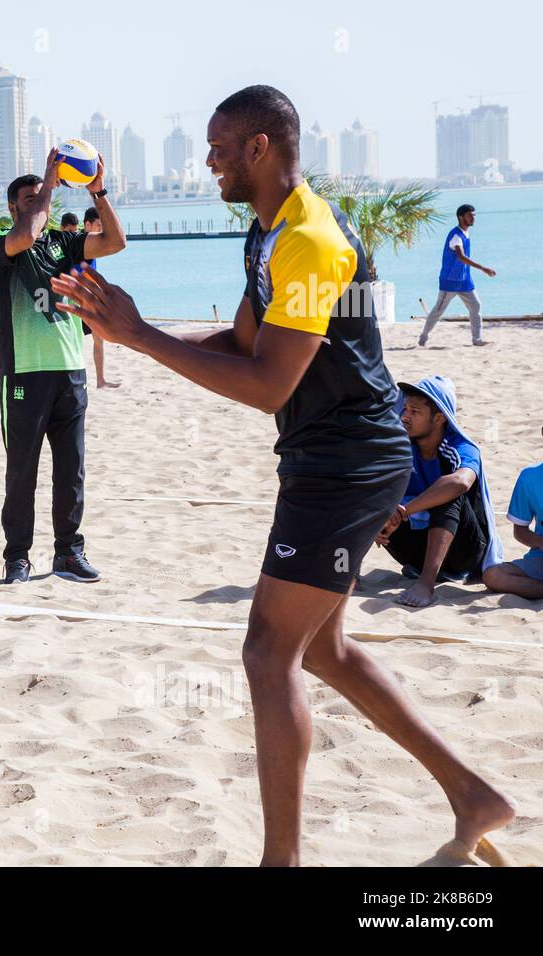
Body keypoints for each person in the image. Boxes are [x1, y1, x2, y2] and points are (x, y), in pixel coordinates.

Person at [52, 85, 514, 866]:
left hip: (348, 461)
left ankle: (282, 862)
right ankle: (473, 796)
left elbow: (269, 383)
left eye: (219, 148)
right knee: (324, 650)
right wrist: (130, 333)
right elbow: (243, 341)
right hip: (322, 454)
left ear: (261, 148)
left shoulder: (311, 240)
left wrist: (139, 336)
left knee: (269, 653)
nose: (207, 162)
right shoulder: (266, 232)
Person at [0, 150, 127, 585]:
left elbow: (116, 242)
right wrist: (48, 180)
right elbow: (27, 233)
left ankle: (68, 552)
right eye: (28, 199)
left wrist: (97, 190)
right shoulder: (0, 246)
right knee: (22, 472)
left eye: (41, 196)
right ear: (13, 208)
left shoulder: (65, 244)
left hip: (70, 371)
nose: (39, 203)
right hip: (24, 375)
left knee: (72, 470)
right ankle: (17, 558)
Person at [375, 376, 502, 607]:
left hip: (462, 552)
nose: (404, 416)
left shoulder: (460, 447)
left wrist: (404, 511)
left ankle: (426, 584)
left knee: (448, 490)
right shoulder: (402, 446)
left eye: (415, 412)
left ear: (440, 417)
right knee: (369, 493)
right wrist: (381, 516)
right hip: (412, 554)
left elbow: (461, 482)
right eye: (405, 409)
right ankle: (347, 573)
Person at [418, 204, 495, 348]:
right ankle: (423, 337)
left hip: (465, 280)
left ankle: (477, 340)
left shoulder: (466, 233)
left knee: (476, 306)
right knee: (438, 311)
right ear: (461, 217)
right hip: (450, 281)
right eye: (469, 215)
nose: (473, 218)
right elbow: (461, 257)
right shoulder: (455, 236)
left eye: (473, 215)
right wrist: (483, 268)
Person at [483, 426, 543, 600]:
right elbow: (520, 531)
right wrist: (540, 542)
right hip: (540, 559)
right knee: (492, 575)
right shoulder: (530, 477)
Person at [83, 207, 118, 390]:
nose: (100, 229)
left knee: (99, 338)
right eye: (98, 225)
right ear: (87, 225)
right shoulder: (78, 244)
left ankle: (100, 380)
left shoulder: (93, 244)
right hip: (77, 298)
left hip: (91, 297)